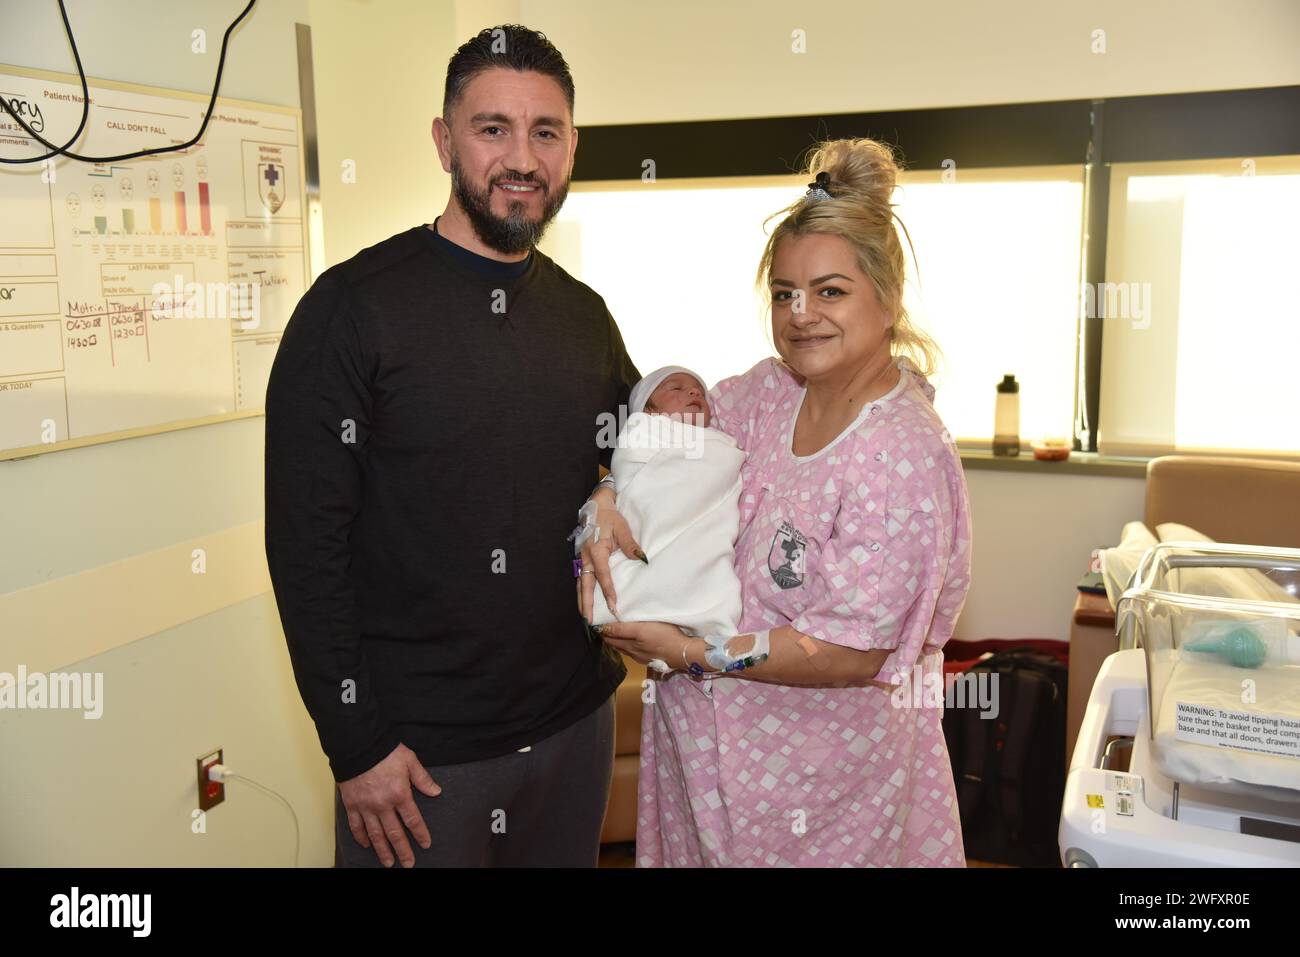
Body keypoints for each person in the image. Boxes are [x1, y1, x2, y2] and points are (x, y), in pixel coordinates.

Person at [265, 24, 640, 868]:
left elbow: (647, 434)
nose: (522, 157)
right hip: (418, 761)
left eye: (546, 132)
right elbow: (304, 546)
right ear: (444, 141)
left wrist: (617, 480)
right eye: (492, 128)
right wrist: (355, 744)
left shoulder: (584, 316)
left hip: (574, 727)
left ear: (572, 146)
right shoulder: (351, 311)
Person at [579, 138, 973, 866]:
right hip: (706, 769)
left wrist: (691, 651)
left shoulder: (900, 456)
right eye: (784, 293)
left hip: (824, 797)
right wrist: (605, 495)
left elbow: (854, 652)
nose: (801, 315)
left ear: (886, 297)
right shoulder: (760, 395)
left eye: (830, 291)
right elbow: (664, 451)